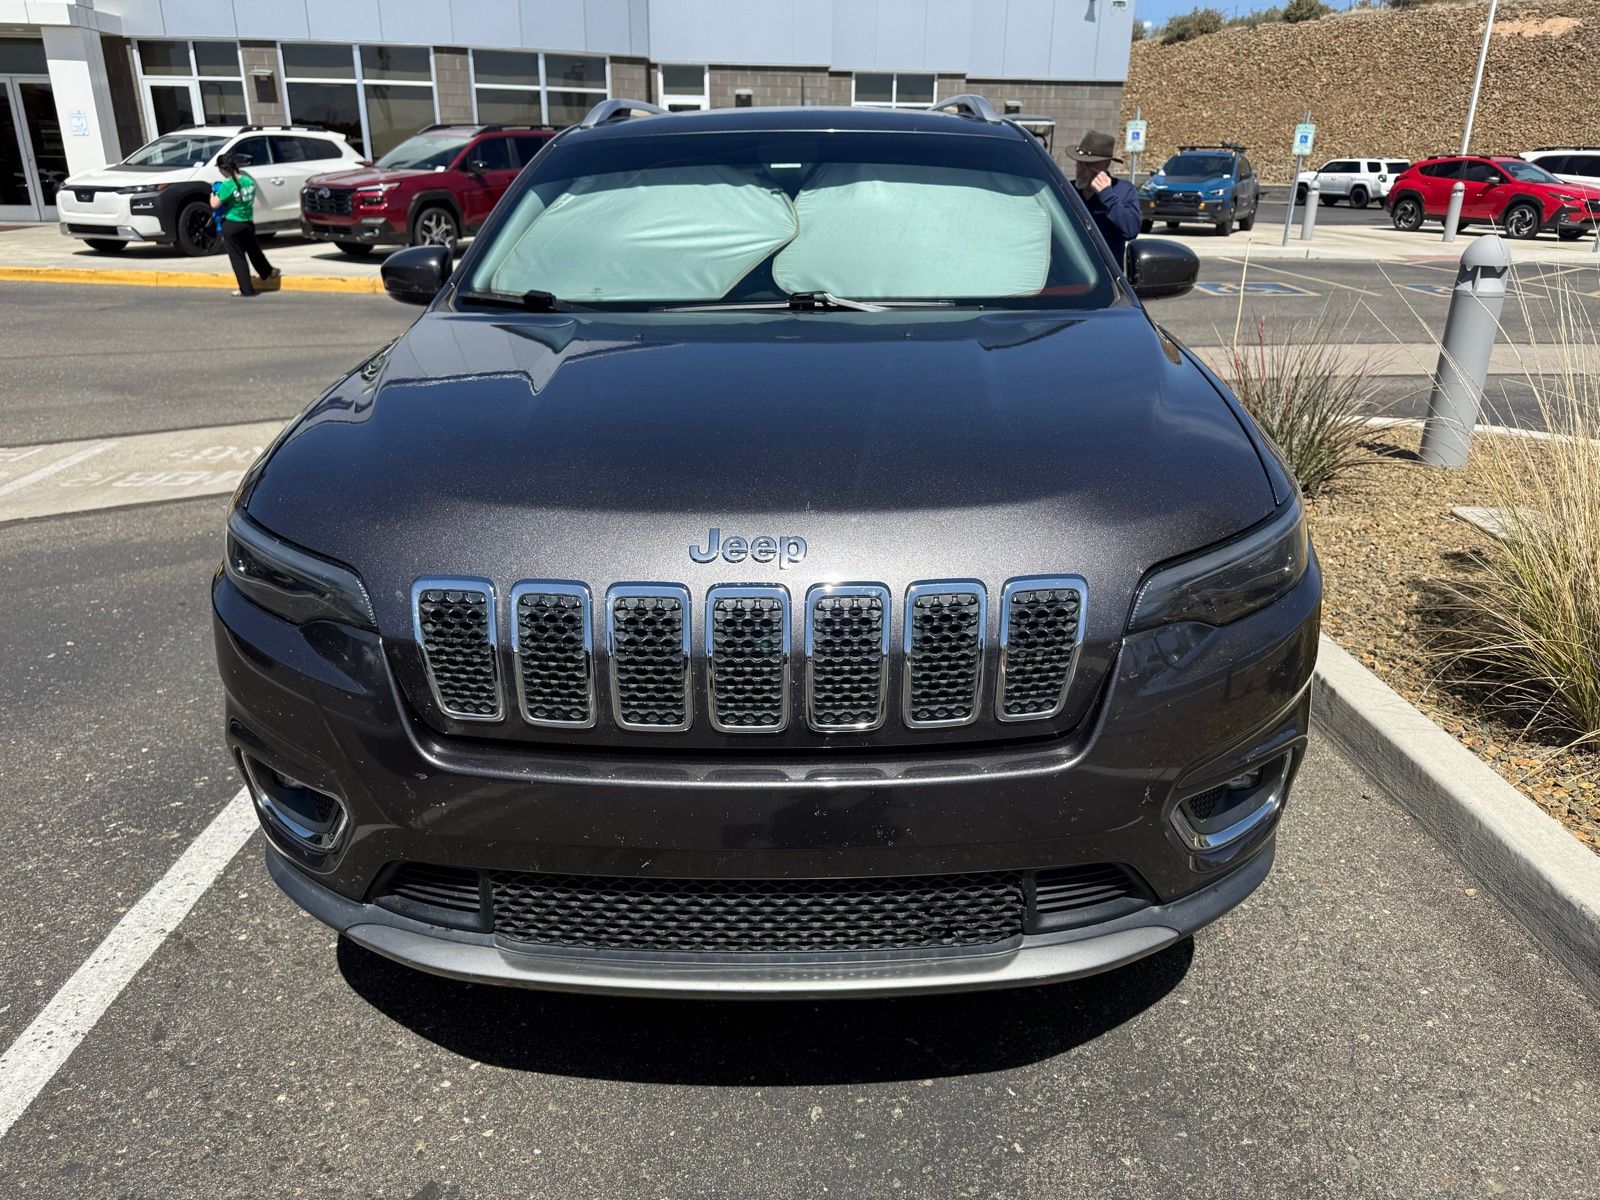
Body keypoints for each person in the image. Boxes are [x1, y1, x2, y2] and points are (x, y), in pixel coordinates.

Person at [211, 153, 279, 297]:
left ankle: (246, 289)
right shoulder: (249, 182)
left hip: (231, 224)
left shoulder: (227, 185)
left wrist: (212, 194)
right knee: (253, 250)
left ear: (223, 169)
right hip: (247, 223)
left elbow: (215, 204)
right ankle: (267, 271)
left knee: (238, 258)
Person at [1069, 130, 1141, 267]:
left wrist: (1107, 196)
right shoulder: (1068, 190)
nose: (1081, 169)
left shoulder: (1123, 190)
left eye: (1089, 164)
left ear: (1105, 165)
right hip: (1069, 275)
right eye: (1079, 163)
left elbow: (1131, 230)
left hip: (1106, 274)